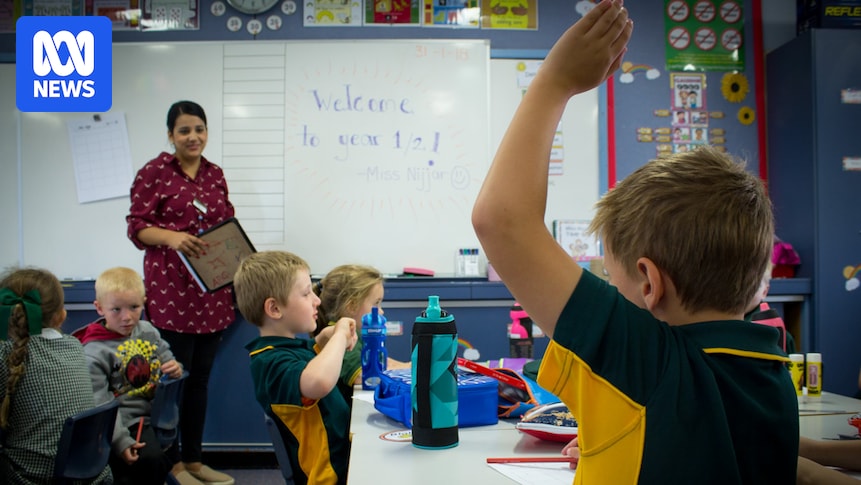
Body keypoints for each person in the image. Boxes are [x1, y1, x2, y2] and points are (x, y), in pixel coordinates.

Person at [471, 1, 799, 482]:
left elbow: (502, 221)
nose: (608, 287)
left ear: (649, 283)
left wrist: (554, 81)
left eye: (611, 277)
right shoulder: (772, 368)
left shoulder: (649, 361)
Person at [126, 100, 235, 485]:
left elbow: (227, 224)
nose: (193, 137)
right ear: (171, 135)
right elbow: (137, 227)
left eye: (199, 129)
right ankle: (171, 465)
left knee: (200, 381)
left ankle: (194, 461)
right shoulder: (154, 172)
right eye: (184, 130)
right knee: (173, 382)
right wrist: (172, 237)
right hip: (171, 292)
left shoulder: (215, 173)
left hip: (212, 292)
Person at [234, 251, 357, 485]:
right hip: (330, 477)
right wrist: (340, 335)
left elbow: (308, 358)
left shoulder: (286, 349)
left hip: (345, 463)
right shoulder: (269, 363)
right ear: (274, 309)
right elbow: (318, 381)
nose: (316, 300)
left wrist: (323, 338)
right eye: (306, 293)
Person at [0, 267, 111, 484]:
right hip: (90, 475)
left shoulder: (6, 353)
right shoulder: (74, 345)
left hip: (32, 477)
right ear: (62, 315)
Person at [75, 267, 185, 485]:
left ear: (144, 303)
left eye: (134, 307)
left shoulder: (147, 331)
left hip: (154, 416)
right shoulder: (94, 351)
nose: (127, 317)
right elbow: (101, 404)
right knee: (150, 461)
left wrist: (175, 368)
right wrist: (121, 441)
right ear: (99, 308)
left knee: (159, 460)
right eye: (116, 309)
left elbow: (168, 359)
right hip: (119, 424)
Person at [311, 264, 410, 403]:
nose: (381, 311)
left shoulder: (355, 334)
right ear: (351, 306)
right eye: (376, 303)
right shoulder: (340, 338)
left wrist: (409, 366)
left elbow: (380, 361)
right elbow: (364, 376)